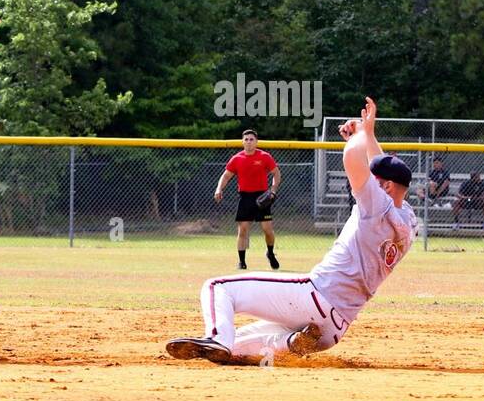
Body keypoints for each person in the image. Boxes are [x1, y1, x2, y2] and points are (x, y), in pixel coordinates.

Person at [166, 97, 418, 365]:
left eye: (374, 179)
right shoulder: (409, 221)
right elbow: (379, 164)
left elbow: (351, 158)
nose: (369, 180)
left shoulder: (375, 204)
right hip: (335, 328)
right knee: (234, 349)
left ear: (387, 187)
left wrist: (355, 135)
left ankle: (217, 336)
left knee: (217, 288)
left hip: (316, 298)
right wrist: (368, 134)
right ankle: (288, 343)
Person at [214, 129, 282, 270]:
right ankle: (242, 261)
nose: (249, 142)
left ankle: (270, 253)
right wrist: (219, 188)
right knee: (243, 230)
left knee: (267, 230)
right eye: (246, 139)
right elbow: (226, 176)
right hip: (245, 197)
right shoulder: (237, 158)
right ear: (242, 141)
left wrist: (273, 189)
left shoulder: (264, 156)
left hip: (262, 196)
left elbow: (276, 173)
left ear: (256, 141)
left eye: (251, 139)